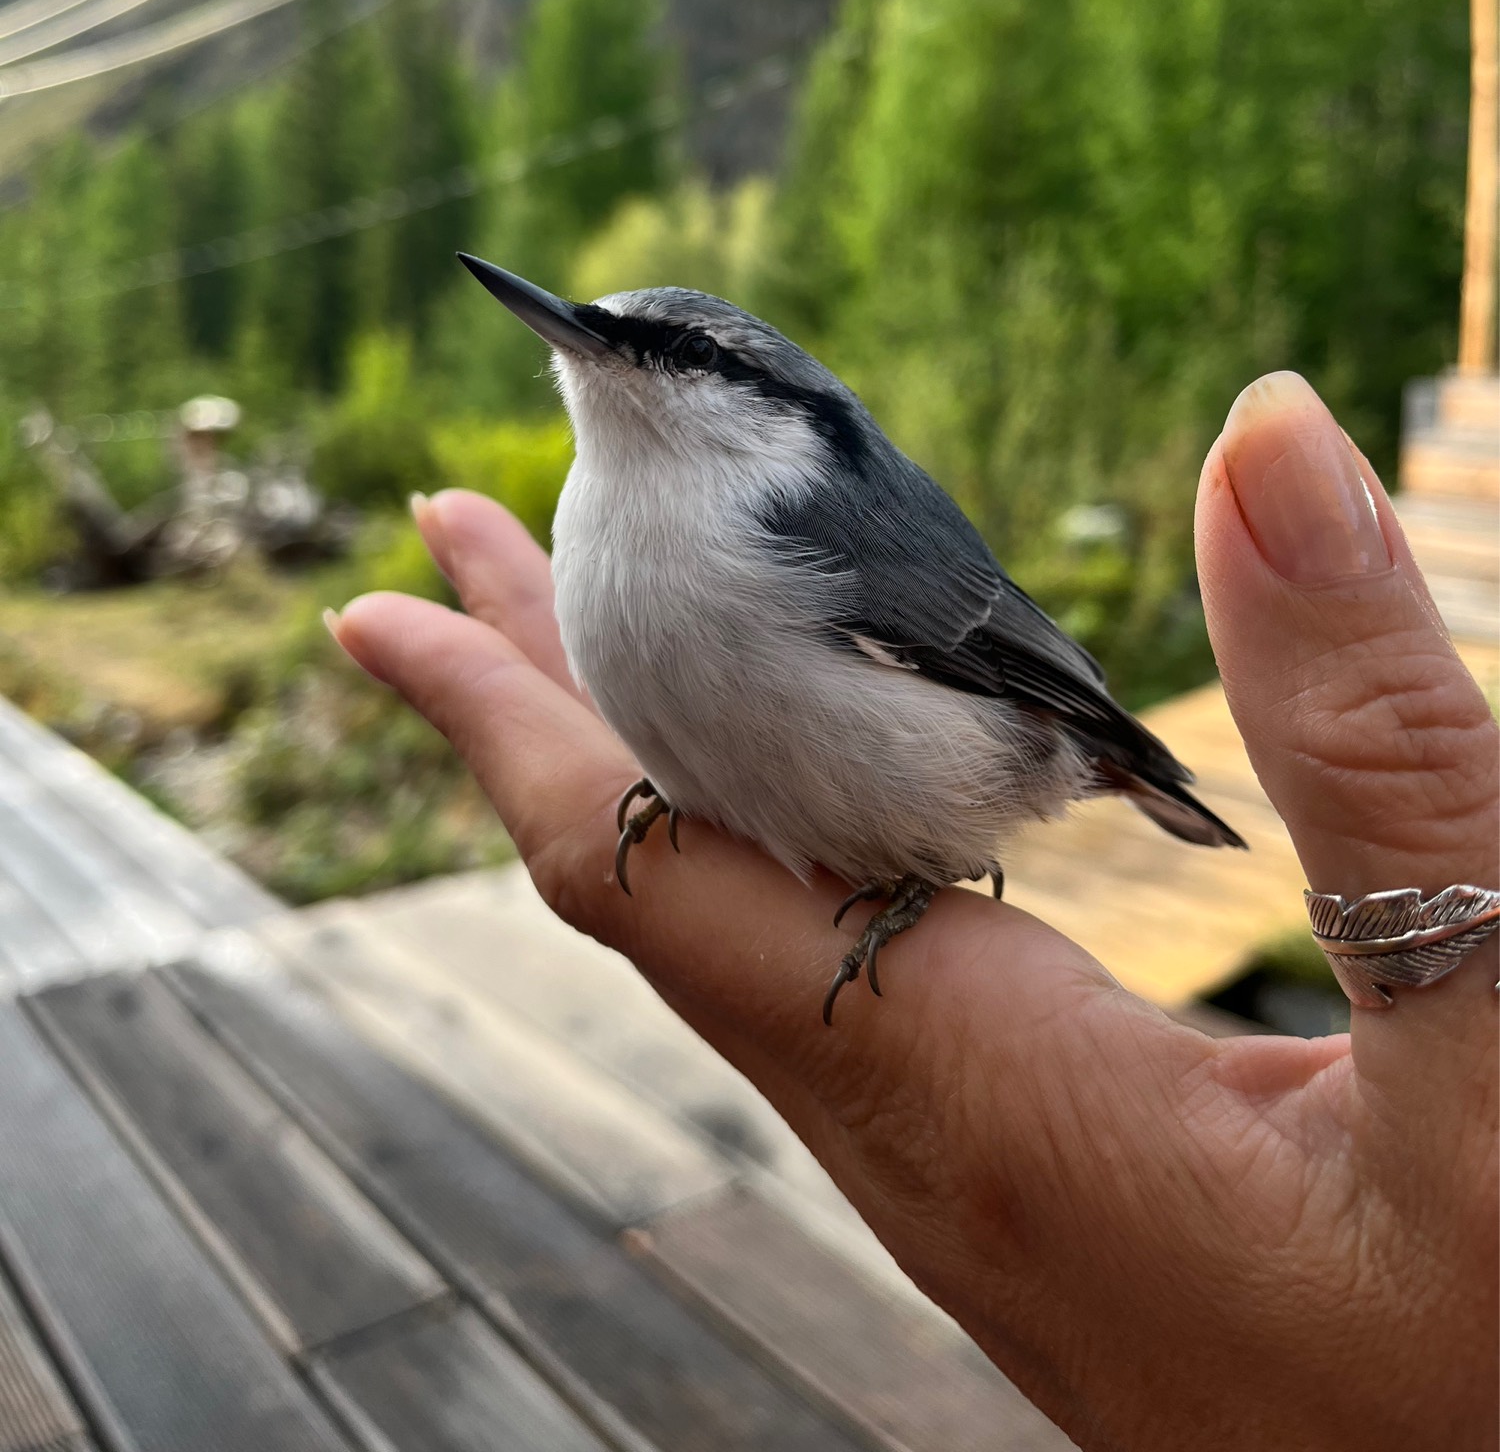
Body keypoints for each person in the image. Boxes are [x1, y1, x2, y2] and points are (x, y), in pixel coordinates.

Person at [326, 371, 1498, 1451]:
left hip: (1013, 729)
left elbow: (1000, 664)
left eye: (685, 349)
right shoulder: (607, 529)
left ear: (779, 404)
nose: (613, 353)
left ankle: (919, 878)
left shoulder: (791, 518)